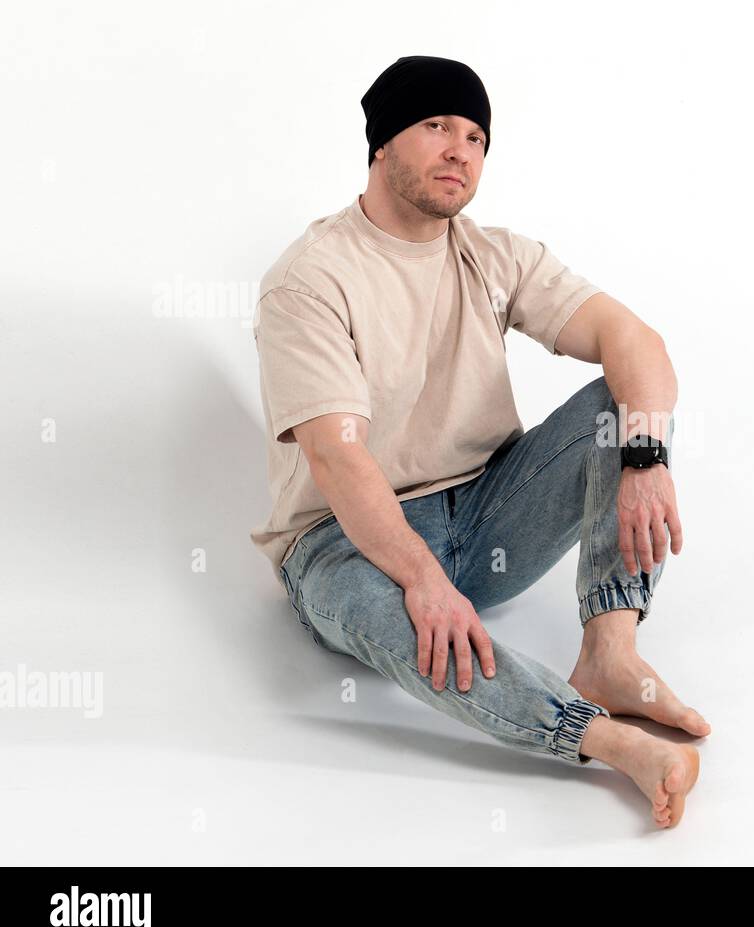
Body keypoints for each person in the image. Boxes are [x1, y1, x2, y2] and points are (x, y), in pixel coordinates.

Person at [249, 56, 707, 829]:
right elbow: (336, 456)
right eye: (435, 126)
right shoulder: (311, 279)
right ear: (382, 144)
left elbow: (633, 338)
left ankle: (610, 653)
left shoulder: (495, 254)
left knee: (617, 404)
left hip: (488, 514)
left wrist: (645, 460)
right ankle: (601, 740)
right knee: (394, 613)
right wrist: (423, 580)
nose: (460, 149)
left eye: (475, 136)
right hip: (343, 542)